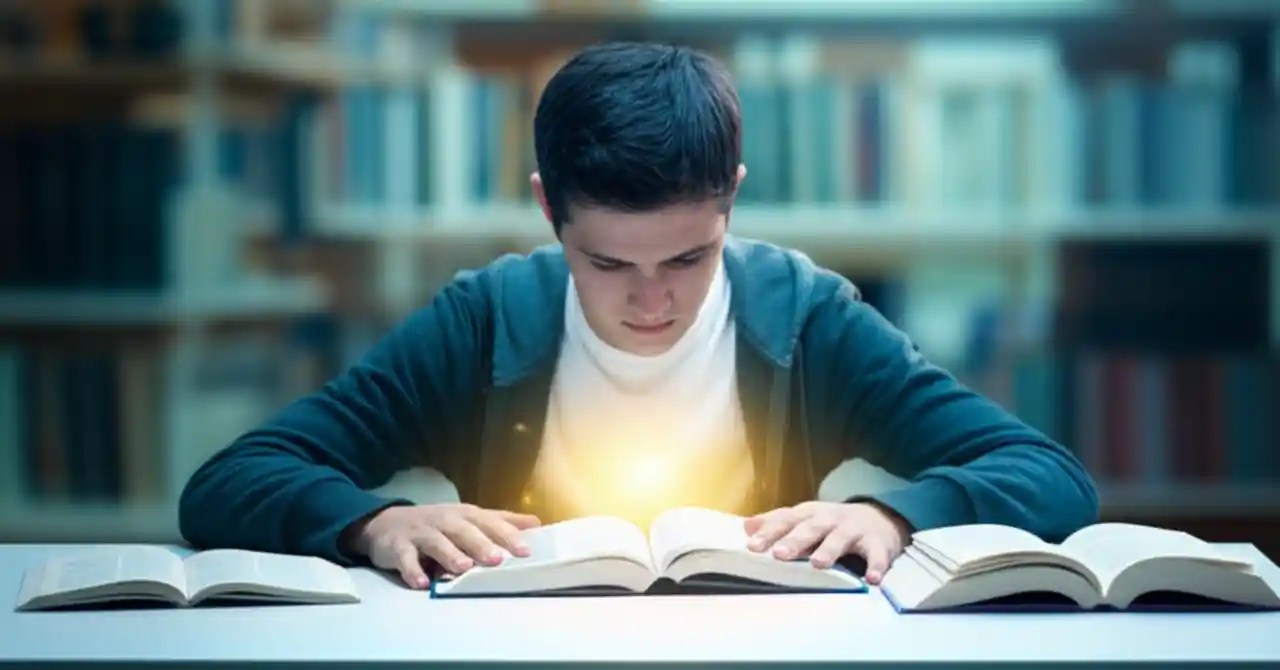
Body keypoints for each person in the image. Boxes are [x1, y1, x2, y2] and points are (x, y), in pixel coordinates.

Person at [178, 41, 1098, 590]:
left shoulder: (808, 318)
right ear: (550, 211)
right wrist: (369, 524)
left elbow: (1051, 476)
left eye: (690, 259)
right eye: (607, 262)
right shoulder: (485, 319)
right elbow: (229, 483)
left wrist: (895, 517)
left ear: (731, 202)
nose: (652, 301)